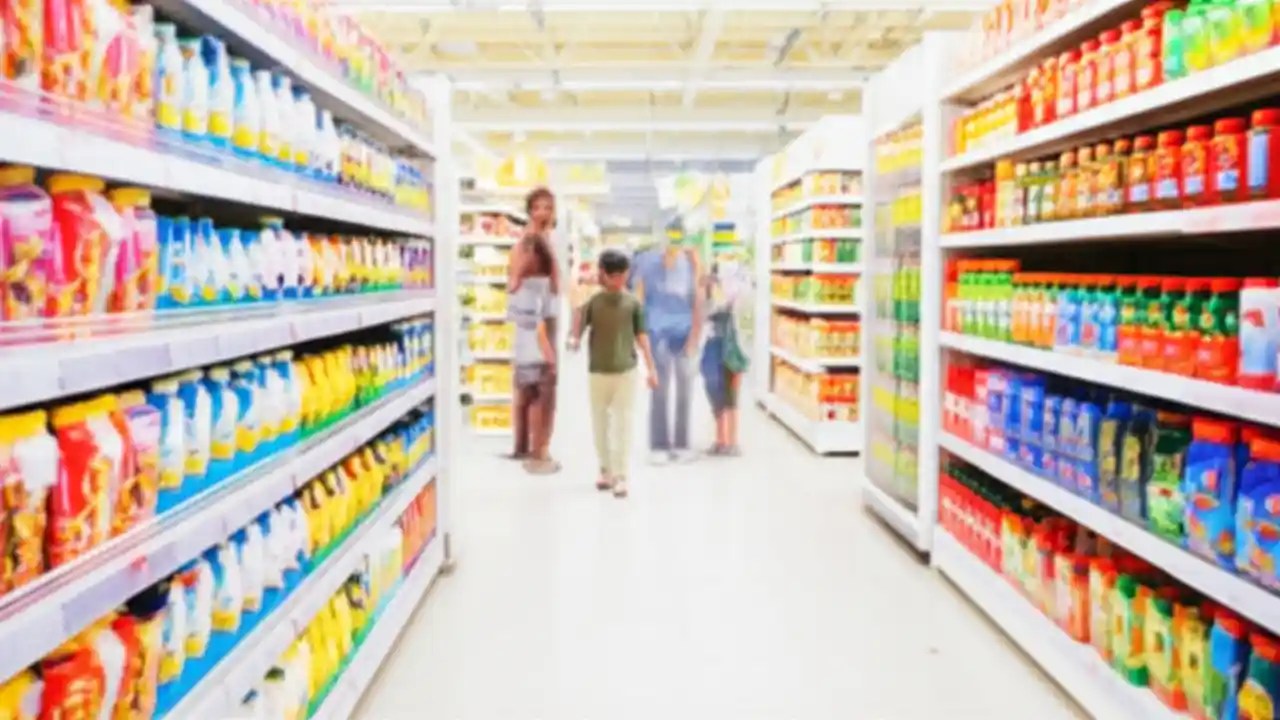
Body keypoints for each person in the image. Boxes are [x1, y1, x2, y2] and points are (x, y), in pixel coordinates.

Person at [569, 249, 658, 498]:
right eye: (614, 276)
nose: (620, 281)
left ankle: (621, 475)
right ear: (603, 275)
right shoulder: (593, 303)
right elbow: (577, 330)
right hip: (598, 371)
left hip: (626, 372)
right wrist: (573, 339)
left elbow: (642, 338)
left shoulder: (633, 304)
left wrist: (651, 368)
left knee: (623, 424)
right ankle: (605, 470)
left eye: (623, 275)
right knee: (600, 424)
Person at [629, 240, 701, 464]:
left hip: (684, 333)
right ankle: (659, 444)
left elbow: (697, 300)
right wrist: (639, 335)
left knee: (684, 390)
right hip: (657, 332)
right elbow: (638, 300)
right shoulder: (647, 264)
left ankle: (682, 443)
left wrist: (694, 337)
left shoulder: (690, 263)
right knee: (659, 389)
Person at [508, 187, 560, 474]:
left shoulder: (544, 239)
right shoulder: (528, 242)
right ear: (529, 210)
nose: (544, 213)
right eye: (538, 207)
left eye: (548, 207)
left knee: (529, 386)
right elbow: (516, 280)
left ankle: (526, 447)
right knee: (540, 388)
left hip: (539, 315)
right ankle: (537, 452)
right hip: (536, 318)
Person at [700, 262, 749, 455]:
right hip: (712, 346)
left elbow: (737, 306)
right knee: (714, 391)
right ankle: (720, 439)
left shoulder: (738, 294)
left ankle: (732, 441)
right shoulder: (706, 293)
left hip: (733, 347)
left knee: (730, 394)